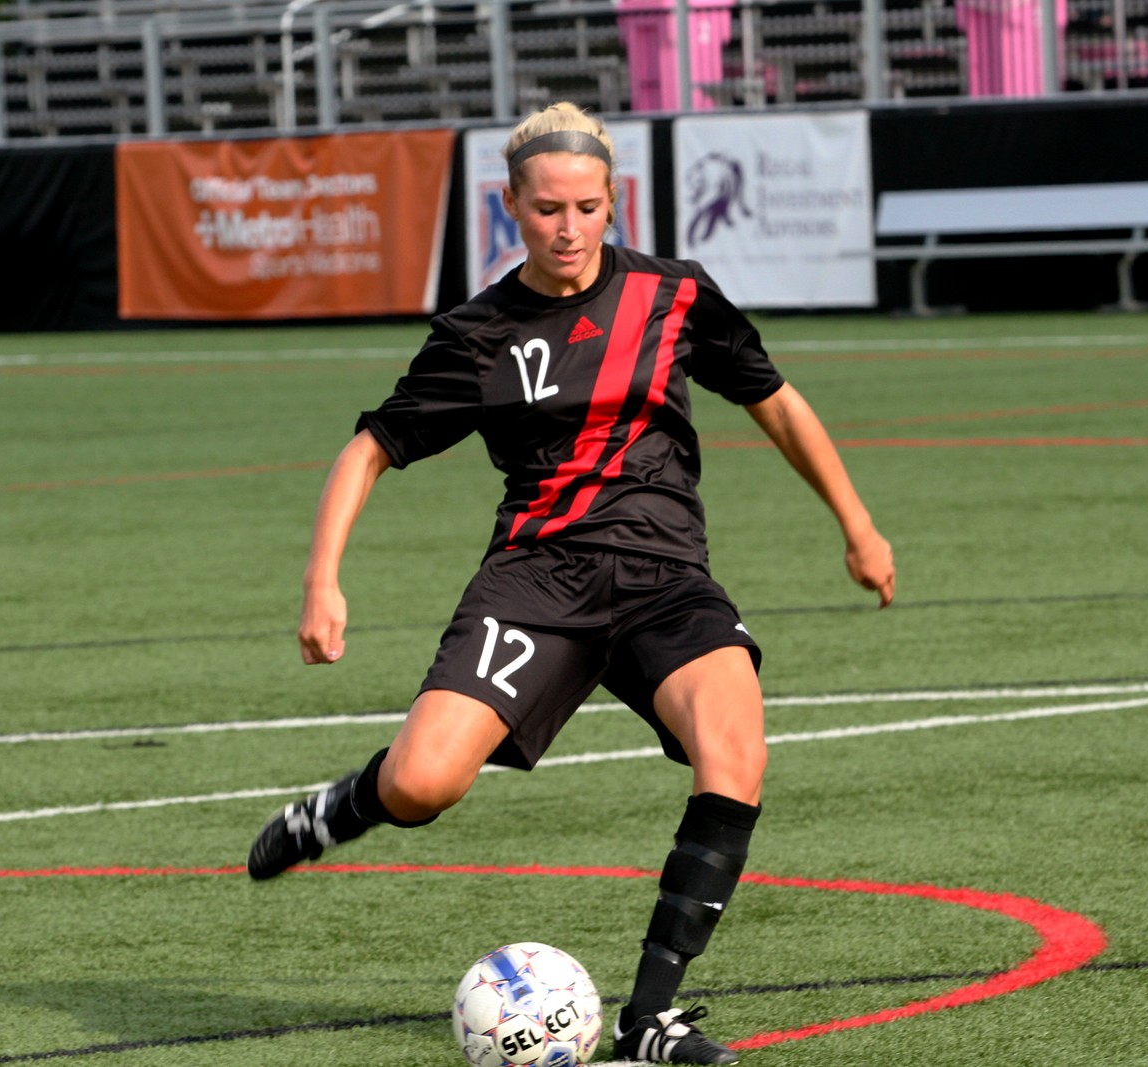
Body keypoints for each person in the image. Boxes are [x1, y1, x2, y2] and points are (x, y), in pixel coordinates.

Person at [247, 101, 895, 1065]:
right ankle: (347, 807)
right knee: (425, 783)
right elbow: (369, 449)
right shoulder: (479, 333)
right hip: (536, 581)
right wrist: (321, 581)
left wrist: (858, 522)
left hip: (665, 577)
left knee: (737, 752)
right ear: (510, 205)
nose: (569, 227)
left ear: (611, 201)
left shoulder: (674, 295)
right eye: (547, 207)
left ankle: (650, 1019)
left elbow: (776, 400)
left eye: (588, 206)